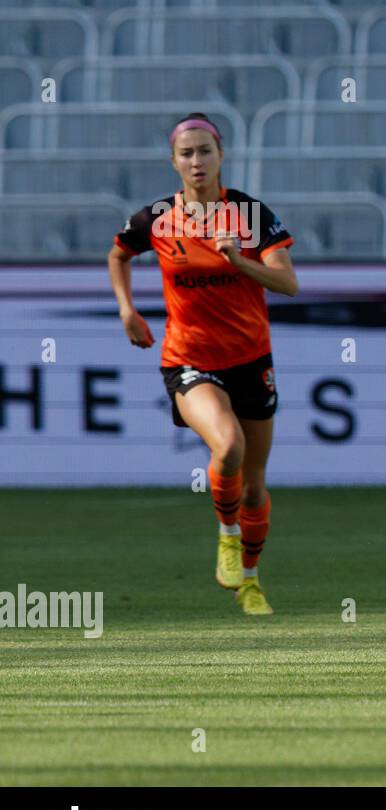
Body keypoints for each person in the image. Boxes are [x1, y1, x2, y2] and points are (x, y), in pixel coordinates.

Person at [107, 113, 298, 615]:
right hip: (188, 359)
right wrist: (128, 309)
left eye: (204, 151)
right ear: (173, 162)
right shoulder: (155, 217)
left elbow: (287, 284)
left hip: (251, 358)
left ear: (221, 156)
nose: (196, 161)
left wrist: (240, 262)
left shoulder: (251, 216)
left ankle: (251, 578)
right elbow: (119, 254)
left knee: (255, 484)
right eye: (186, 153)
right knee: (228, 444)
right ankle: (226, 535)